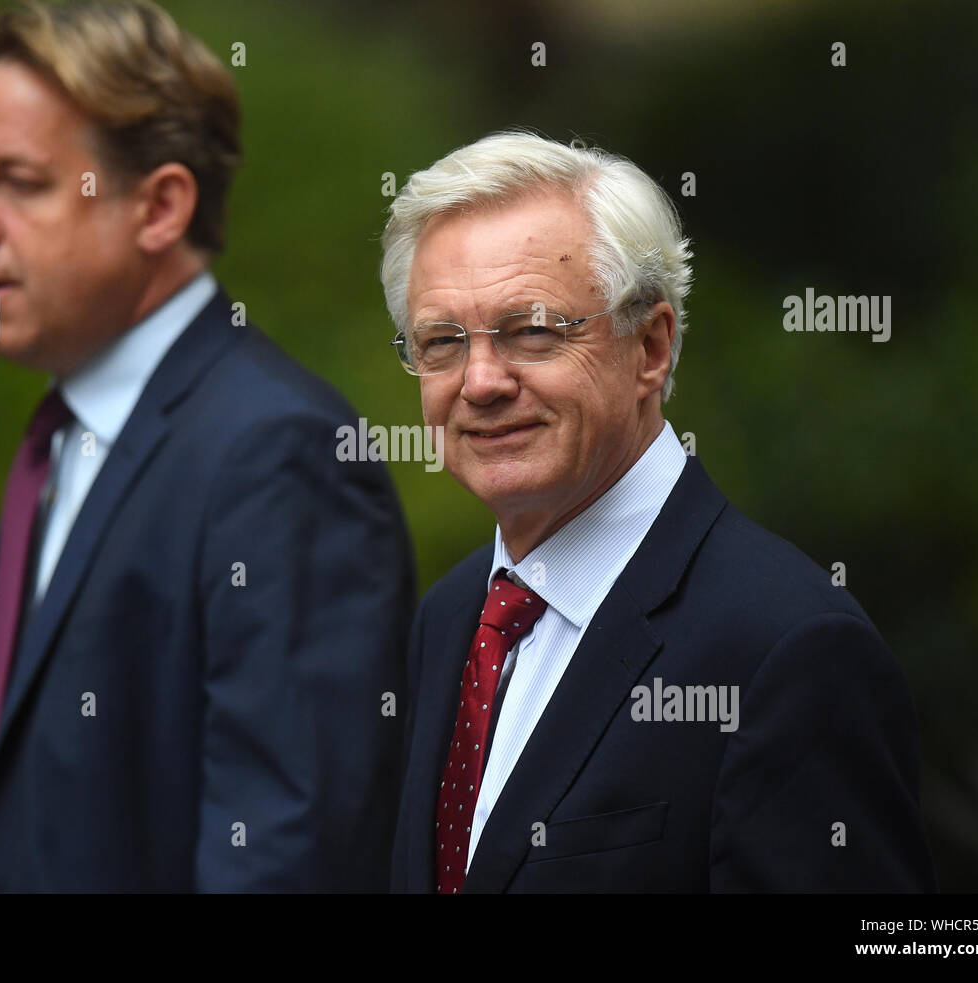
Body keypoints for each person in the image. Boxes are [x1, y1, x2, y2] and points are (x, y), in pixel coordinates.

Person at [0, 0, 414, 892]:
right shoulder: (65, 438)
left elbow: (282, 861)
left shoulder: (280, 457)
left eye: (20, 182)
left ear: (159, 206)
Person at [381, 131, 935, 893]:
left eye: (533, 330)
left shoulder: (787, 649)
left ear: (650, 347)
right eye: (442, 341)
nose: (479, 381)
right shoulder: (450, 619)